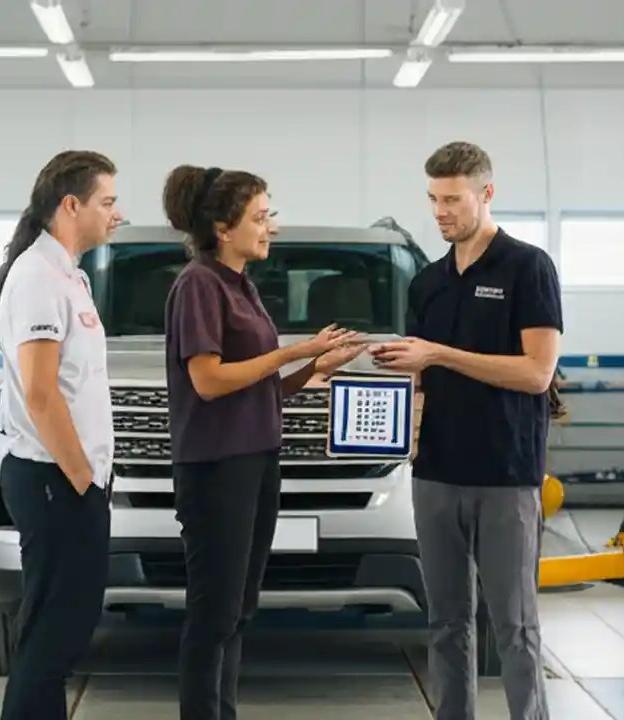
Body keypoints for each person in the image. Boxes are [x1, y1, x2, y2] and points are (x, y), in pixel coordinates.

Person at [160, 165, 364, 720]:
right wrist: (292, 353)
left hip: (254, 458)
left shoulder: (241, 284)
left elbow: (256, 389)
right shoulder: (199, 283)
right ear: (223, 228)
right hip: (216, 466)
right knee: (214, 610)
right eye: (260, 216)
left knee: (239, 607)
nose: (270, 226)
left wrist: (314, 368)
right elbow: (208, 380)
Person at [371, 141, 562, 720]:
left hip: (505, 475)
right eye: (433, 199)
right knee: (446, 621)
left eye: (452, 199)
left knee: (514, 625)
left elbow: (536, 373)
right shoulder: (427, 283)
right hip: (435, 474)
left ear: (486, 194)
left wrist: (441, 354)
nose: (440, 212)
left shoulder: (527, 267)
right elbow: (422, 379)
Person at [0, 149, 123, 720]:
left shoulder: (69, 275)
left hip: (70, 479)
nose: (116, 214)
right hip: (54, 479)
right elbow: (41, 395)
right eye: (107, 202)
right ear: (72, 205)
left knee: (63, 631)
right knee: (51, 634)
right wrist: (83, 480)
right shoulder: (37, 278)